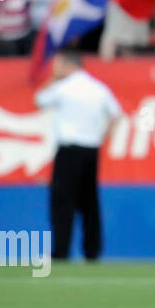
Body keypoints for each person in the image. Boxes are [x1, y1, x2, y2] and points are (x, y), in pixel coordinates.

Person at [34, 49, 124, 261]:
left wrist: (53, 78)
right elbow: (117, 114)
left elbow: (39, 100)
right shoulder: (98, 88)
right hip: (91, 150)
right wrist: (102, 138)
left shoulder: (63, 87)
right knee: (89, 203)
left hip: (68, 151)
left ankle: (61, 252)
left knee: (62, 202)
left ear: (67, 65)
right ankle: (92, 252)